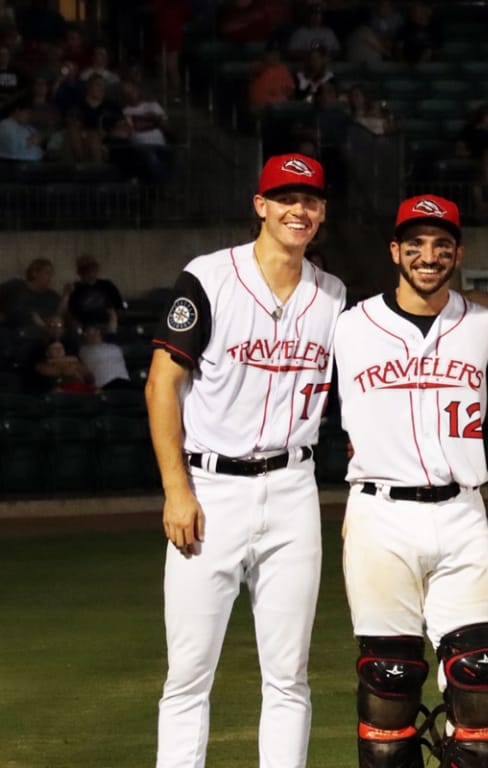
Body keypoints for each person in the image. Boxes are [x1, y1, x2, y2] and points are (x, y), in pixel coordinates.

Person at [146, 153, 346, 768]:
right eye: (286, 198)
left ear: (322, 212)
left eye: (310, 199)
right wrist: (176, 490)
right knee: (189, 672)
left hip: (293, 488)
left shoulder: (332, 294)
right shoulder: (207, 278)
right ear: (260, 206)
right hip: (212, 488)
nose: (299, 209)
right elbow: (161, 385)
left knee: (289, 675)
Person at [332, 194, 488, 768]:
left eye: (440, 245)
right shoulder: (348, 326)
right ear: (394, 251)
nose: (427, 256)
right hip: (380, 513)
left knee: (480, 672)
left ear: (457, 253)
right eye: (415, 245)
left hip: (463, 511)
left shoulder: (483, 324)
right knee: (390, 676)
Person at [65, 253, 125, 329]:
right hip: (85, 328)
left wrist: (113, 322)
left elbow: (119, 308)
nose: (90, 272)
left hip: (108, 325)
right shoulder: (75, 289)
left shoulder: (107, 285)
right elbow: (70, 313)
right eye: (86, 270)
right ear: (79, 273)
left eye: (92, 268)